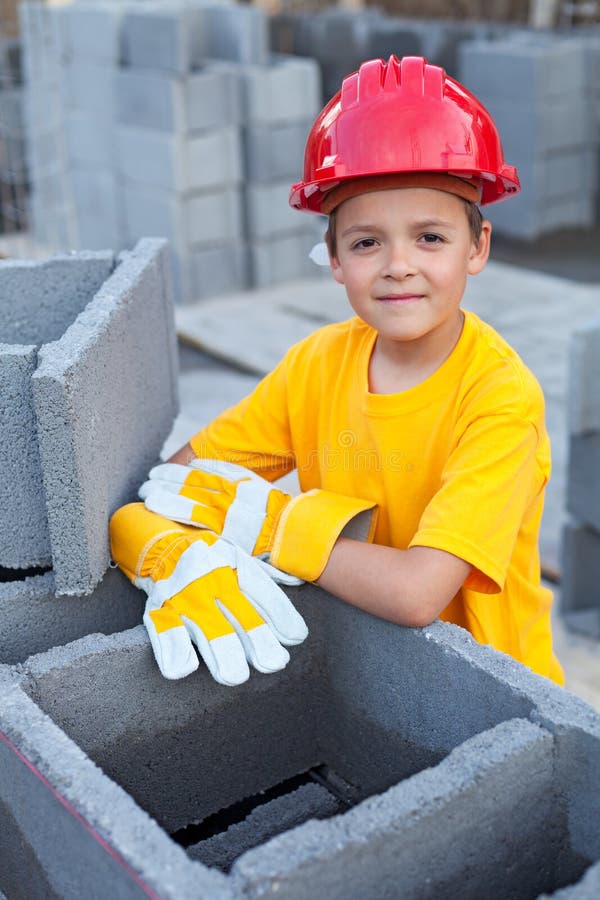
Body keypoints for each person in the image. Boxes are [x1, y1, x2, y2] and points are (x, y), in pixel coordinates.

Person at [111, 55, 564, 687]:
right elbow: (176, 484)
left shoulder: (498, 399)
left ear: (478, 247)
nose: (398, 265)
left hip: (490, 689)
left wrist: (275, 526)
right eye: (366, 242)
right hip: (368, 672)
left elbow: (417, 594)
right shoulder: (316, 365)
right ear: (333, 260)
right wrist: (167, 552)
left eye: (430, 238)